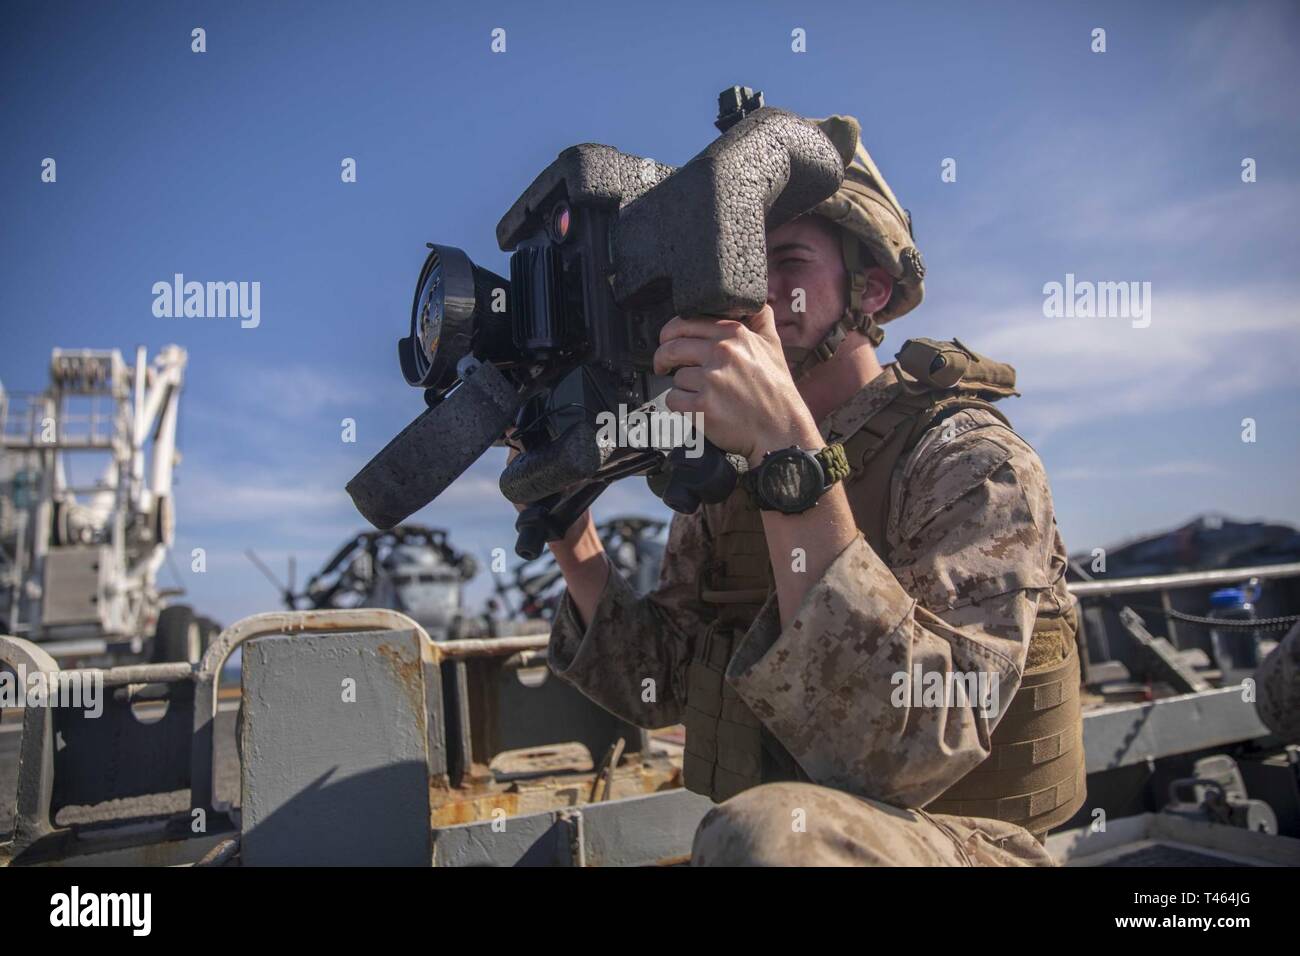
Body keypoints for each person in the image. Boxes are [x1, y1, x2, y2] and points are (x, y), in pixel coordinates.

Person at [513, 113, 1084, 865]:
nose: (751, 288)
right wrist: (570, 534)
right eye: (736, 258)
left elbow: (912, 748)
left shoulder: (970, 460)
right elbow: (666, 686)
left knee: (770, 836)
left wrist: (789, 457)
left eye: (785, 262)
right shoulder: (732, 464)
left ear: (870, 290)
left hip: (975, 843)